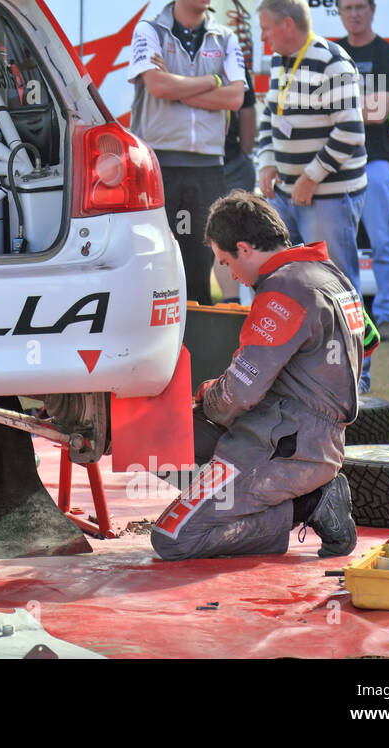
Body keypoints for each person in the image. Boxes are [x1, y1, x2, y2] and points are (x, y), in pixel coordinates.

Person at [150, 190, 362, 561]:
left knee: (173, 538)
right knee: (160, 442)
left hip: (284, 442)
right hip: (302, 432)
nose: (229, 274)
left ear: (245, 248)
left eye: (225, 260)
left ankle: (308, 504)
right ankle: (257, 496)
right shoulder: (329, 274)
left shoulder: (285, 289)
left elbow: (240, 394)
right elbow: (370, 341)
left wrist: (206, 395)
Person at [128, 0, 247, 305]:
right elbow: (157, 86)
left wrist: (179, 90)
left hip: (208, 167)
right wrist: (211, 82)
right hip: (160, 165)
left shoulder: (225, 37)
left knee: (199, 267)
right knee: (153, 265)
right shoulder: (149, 30)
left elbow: (236, 98)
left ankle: (194, 353)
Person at [256, 0, 367, 295]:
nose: (264, 38)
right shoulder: (280, 61)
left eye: (266, 29)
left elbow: (351, 131)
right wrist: (267, 162)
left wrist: (310, 177)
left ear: (287, 25)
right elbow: (269, 115)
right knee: (291, 281)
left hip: (328, 197)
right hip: (287, 193)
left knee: (335, 283)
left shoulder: (333, 62)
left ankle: (351, 343)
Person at [334, 0, 389, 347]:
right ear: (340, 13)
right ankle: (350, 316)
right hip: (335, 165)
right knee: (339, 246)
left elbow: (379, 112)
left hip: (374, 162)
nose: (355, 14)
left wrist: (336, 108)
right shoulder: (331, 52)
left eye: (360, 7)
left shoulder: (386, 54)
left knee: (383, 242)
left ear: (372, 9)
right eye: (348, 8)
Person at [213, 87, 258, 302]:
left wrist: (245, 154)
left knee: (234, 235)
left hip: (233, 162)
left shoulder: (231, 54)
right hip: (192, 164)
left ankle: (235, 304)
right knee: (198, 236)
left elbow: (245, 104)